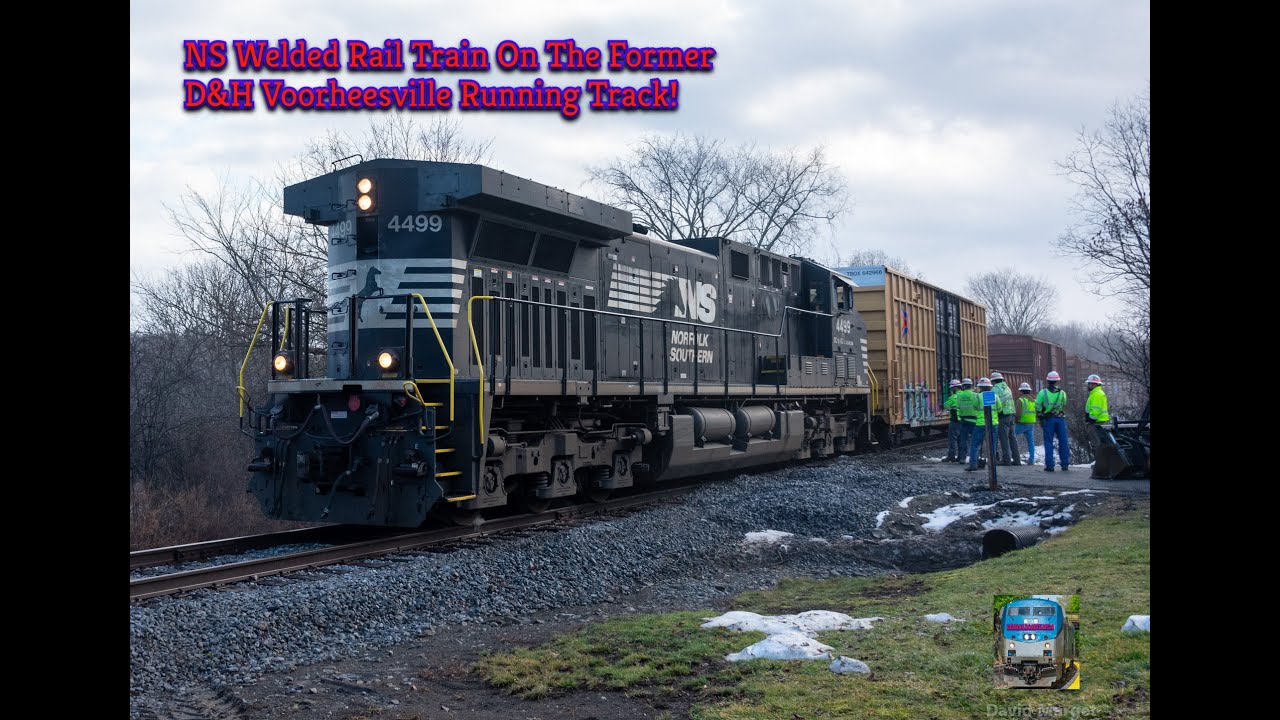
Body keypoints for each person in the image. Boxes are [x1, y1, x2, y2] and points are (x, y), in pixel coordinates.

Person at [1035, 371, 1070, 472]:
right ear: (1057, 381)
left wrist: (1041, 415)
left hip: (1049, 419)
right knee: (1063, 441)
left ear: (1047, 380)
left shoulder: (1042, 393)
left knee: (1048, 442)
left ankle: (1050, 465)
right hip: (1060, 419)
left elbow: (1037, 406)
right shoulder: (1062, 393)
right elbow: (1064, 403)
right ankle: (1065, 464)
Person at [965, 377, 995, 471]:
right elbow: (999, 408)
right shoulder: (995, 396)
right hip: (993, 423)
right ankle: (992, 465)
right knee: (992, 444)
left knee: (974, 444)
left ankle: (973, 465)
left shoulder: (978, 396)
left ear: (980, 387)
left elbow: (975, 406)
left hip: (981, 423)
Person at [990, 371, 1018, 465]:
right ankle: (1017, 459)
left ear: (993, 381)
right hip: (1011, 414)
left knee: (1004, 438)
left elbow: (993, 404)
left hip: (1003, 415)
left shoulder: (995, 389)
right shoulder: (1007, 387)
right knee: (1012, 437)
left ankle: (1006, 460)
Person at [955, 378, 979, 465]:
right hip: (974, 420)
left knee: (963, 440)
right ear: (971, 386)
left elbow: (958, 407)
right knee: (974, 440)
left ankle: (962, 458)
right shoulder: (975, 395)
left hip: (963, 420)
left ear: (963, 386)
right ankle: (975, 458)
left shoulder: (959, 396)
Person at [1084, 373, 1110, 446]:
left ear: (1094, 384)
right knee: (1102, 443)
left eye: (1089, 383)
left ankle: (1098, 453)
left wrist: (1091, 419)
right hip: (1099, 421)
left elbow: (1096, 409)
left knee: (1096, 443)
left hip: (1096, 422)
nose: (1088, 385)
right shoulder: (1098, 393)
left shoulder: (1096, 394)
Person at [1015, 382, 1037, 465]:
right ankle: (1031, 459)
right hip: (1031, 424)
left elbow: (1018, 414)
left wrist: (1016, 421)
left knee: (1011, 437)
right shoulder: (1034, 401)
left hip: (1021, 423)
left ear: (1021, 391)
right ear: (1029, 391)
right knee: (1031, 442)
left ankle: (1015, 457)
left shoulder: (1020, 400)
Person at [943, 379, 963, 462]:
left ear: (955, 388)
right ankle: (961, 457)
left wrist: (951, 409)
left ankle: (951, 456)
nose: (951, 390)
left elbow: (945, 405)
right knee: (961, 440)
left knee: (953, 439)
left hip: (955, 421)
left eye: (952, 388)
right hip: (964, 420)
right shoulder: (965, 395)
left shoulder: (954, 397)